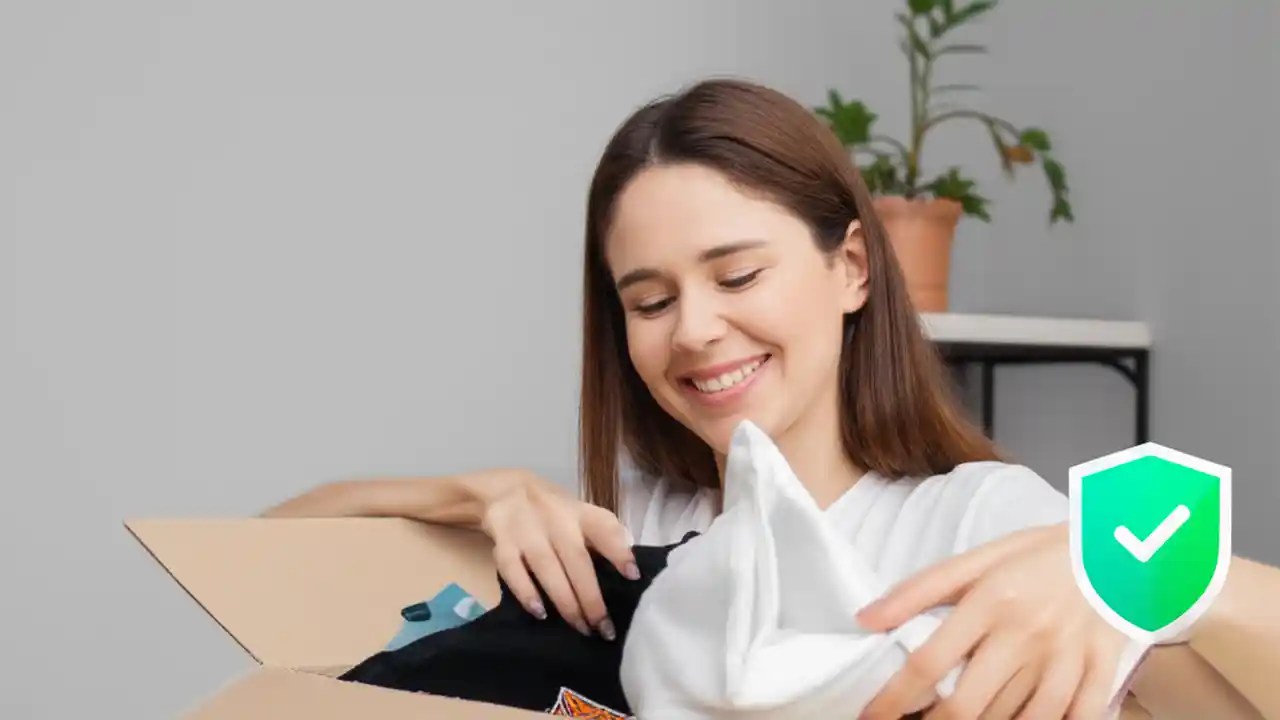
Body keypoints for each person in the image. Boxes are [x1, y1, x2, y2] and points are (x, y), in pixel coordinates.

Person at [265, 78, 1277, 718]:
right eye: (649, 299)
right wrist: (481, 495)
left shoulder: (976, 521)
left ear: (849, 269)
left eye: (736, 278)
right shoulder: (624, 532)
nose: (694, 329)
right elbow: (258, 561)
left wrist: (1130, 573)